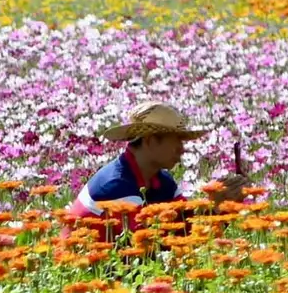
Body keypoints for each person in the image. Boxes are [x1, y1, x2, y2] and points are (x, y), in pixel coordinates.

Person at [64, 103, 249, 241]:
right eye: (176, 140)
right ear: (151, 141)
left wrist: (220, 208)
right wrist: (212, 205)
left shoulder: (163, 181)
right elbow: (148, 251)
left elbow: (184, 230)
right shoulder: (117, 186)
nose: (182, 149)